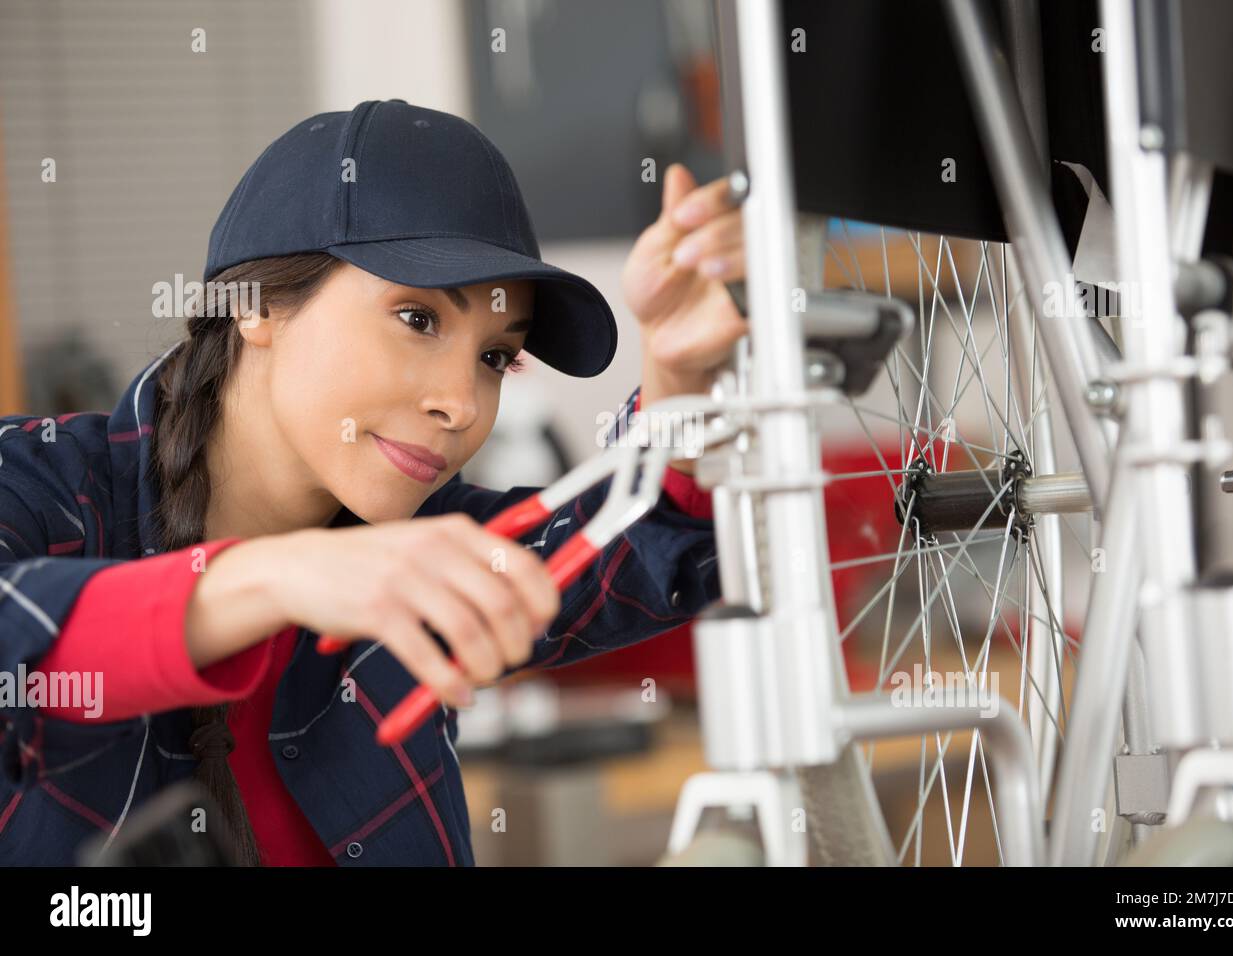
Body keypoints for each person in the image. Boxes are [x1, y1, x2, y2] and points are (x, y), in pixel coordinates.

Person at [0, 100, 748, 865]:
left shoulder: (411, 545)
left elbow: (627, 540)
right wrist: (275, 579)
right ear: (255, 304)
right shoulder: (38, 485)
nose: (460, 406)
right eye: (417, 319)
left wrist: (681, 384)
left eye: (495, 358)